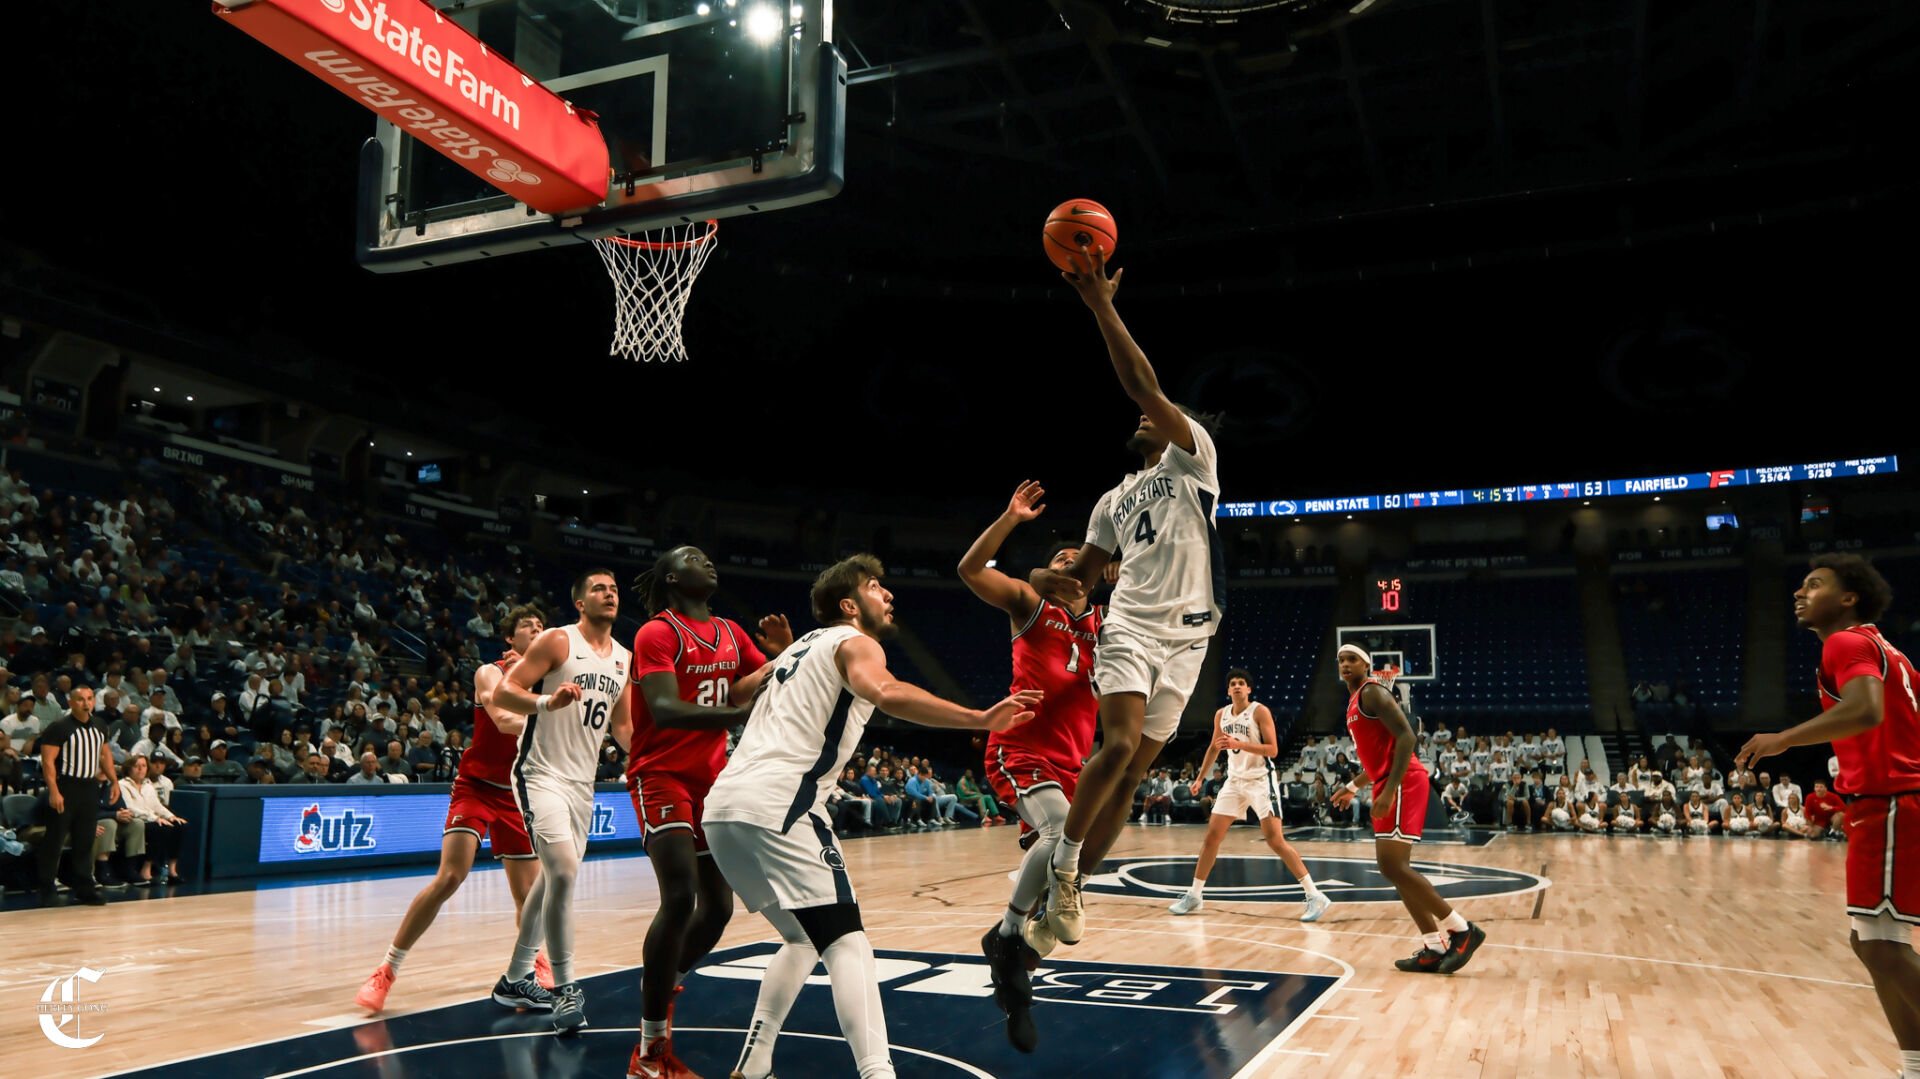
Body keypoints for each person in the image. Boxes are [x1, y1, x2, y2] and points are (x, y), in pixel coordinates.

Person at [702, 555, 1038, 1079]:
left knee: (802, 938)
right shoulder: (856, 642)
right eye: (876, 586)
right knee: (846, 941)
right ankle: (877, 1072)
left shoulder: (798, 648)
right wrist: (977, 716)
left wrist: (778, 659)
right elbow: (886, 692)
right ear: (849, 605)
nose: (888, 594)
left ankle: (755, 1063)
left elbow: (737, 693)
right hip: (781, 803)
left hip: (724, 810)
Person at [1025, 244, 1225, 955]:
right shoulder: (1111, 500)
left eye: (1156, 414)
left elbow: (1143, 386)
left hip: (1191, 637)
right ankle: (1066, 865)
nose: (1143, 416)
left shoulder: (1193, 458)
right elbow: (1080, 579)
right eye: (1142, 416)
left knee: (1135, 774)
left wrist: (1102, 307)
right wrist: (1045, 579)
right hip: (1133, 626)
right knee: (1115, 748)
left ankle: (1068, 885)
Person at [1738, 554, 1920, 1079]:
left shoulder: (1845, 642)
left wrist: (1784, 739)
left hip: (1890, 801)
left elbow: (1865, 709)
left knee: (1880, 947)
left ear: (1848, 598)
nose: (1799, 593)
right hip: (1891, 801)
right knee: (1872, 944)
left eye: (1814, 584)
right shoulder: (1891, 651)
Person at [623, 547, 791, 1079]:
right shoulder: (656, 633)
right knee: (679, 897)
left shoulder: (730, 632)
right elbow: (664, 709)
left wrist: (785, 655)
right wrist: (736, 713)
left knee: (718, 909)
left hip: (711, 781)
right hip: (660, 774)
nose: (709, 562)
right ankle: (649, 1052)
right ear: (673, 578)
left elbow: (771, 681)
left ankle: (661, 981)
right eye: (695, 558)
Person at [954, 483, 1105, 1050]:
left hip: (1072, 764)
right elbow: (970, 570)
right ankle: (1009, 933)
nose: (1069, 563)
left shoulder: (1105, 626)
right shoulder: (1031, 604)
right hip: (1020, 746)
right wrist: (1010, 518)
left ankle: (1014, 980)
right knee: (1060, 835)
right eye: (1060, 558)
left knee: (1059, 880)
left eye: (1077, 560)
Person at [355, 606, 551, 1014]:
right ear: (510, 639)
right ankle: (386, 970)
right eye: (528, 627)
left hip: (518, 793)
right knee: (450, 877)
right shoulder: (490, 672)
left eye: (541, 627)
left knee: (528, 896)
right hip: (476, 788)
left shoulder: (549, 681)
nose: (537, 631)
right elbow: (502, 719)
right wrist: (555, 713)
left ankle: (533, 964)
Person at [484, 569, 635, 1036]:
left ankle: (515, 978)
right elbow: (505, 690)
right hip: (539, 773)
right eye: (599, 589)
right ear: (580, 603)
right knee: (564, 872)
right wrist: (546, 704)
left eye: (613, 589)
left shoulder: (624, 658)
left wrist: (650, 758)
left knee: (552, 879)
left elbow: (623, 727)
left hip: (582, 784)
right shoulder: (557, 640)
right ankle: (568, 987)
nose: (609, 594)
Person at [1331, 646, 1483, 972]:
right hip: (1387, 780)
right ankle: (1433, 946)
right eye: (1341, 660)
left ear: (1366, 665)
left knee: (1391, 866)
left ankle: (1462, 930)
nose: (1345, 664)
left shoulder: (1372, 692)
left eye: (1352, 659)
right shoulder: (1355, 701)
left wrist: (1389, 790)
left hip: (1402, 781)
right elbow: (1377, 757)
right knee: (1397, 870)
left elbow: (1407, 737)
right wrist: (1353, 786)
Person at [1168, 670, 1329, 921]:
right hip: (1234, 781)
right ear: (1228, 690)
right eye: (1233, 683)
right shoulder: (1221, 715)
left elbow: (1273, 750)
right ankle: (1195, 895)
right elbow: (1213, 747)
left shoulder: (1259, 711)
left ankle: (1315, 895)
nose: (1237, 686)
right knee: (1211, 837)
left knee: (1275, 840)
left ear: (1249, 689)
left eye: (1241, 683)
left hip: (1261, 780)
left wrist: (1238, 744)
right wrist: (1199, 778)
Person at [36, 684, 112, 906]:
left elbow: (105, 754)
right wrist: (54, 791)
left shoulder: (100, 725)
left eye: (89, 698)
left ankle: (84, 888)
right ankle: (47, 887)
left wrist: (114, 780)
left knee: (85, 840)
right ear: (70, 702)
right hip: (66, 786)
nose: (86, 703)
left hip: (89, 787)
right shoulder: (59, 727)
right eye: (80, 699)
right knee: (55, 839)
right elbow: (47, 761)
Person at [118, 754, 186, 884]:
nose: (140, 769)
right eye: (136, 766)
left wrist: (171, 816)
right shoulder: (122, 785)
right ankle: (146, 868)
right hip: (135, 821)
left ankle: (172, 870)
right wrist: (154, 818)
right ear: (129, 768)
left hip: (152, 819)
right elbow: (130, 808)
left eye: (143, 766)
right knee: (161, 828)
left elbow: (157, 806)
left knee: (180, 825)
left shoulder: (148, 786)